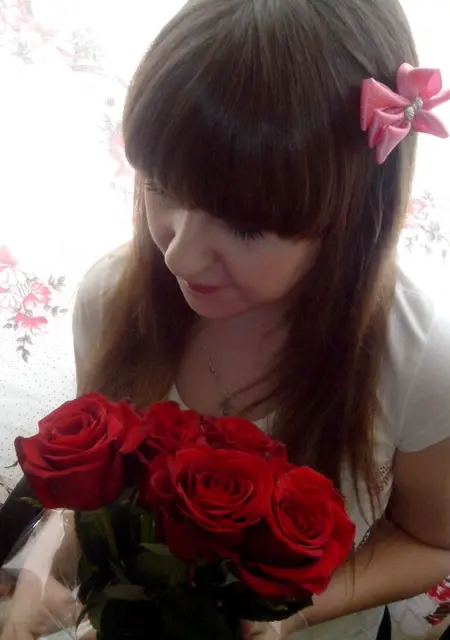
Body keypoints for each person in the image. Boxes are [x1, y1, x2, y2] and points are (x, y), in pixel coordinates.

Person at [2, 0, 450, 639]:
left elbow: (434, 540)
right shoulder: (113, 297)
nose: (178, 255)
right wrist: (45, 566)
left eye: (243, 226)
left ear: (351, 215)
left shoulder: (420, 361)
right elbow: (94, 486)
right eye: (159, 187)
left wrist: (286, 617)